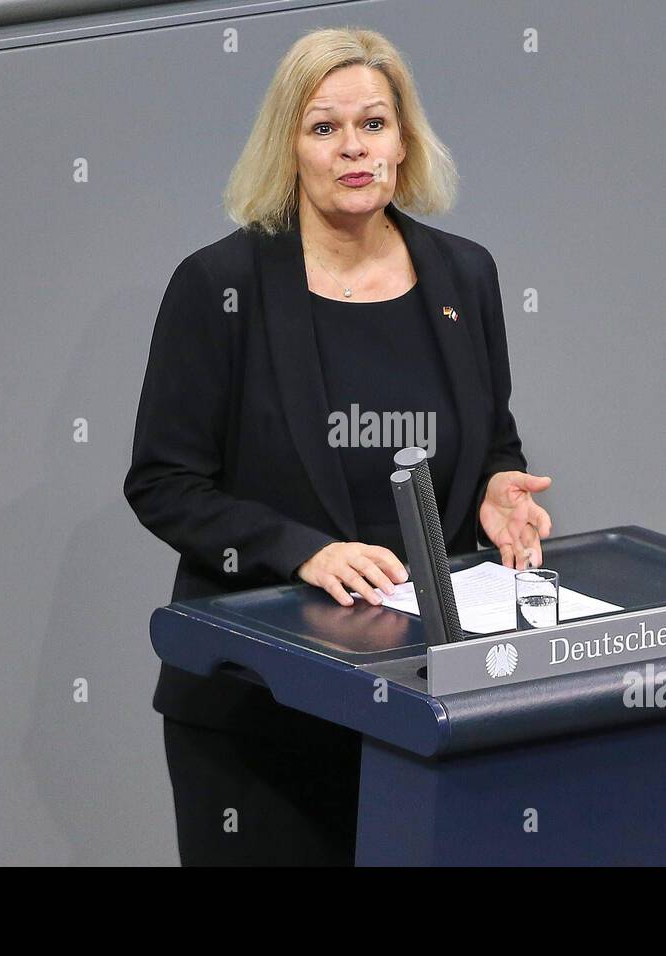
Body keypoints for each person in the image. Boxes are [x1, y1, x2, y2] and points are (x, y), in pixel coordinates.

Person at [123, 26, 553, 866]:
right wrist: (303, 552)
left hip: (426, 696)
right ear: (288, 144)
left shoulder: (465, 275)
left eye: (373, 124)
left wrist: (496, 486)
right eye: (324, 128)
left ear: (404, 138)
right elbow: (165, 482)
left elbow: (490, 433)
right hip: (264, 710)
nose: (353, 149)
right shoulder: (219, 288)